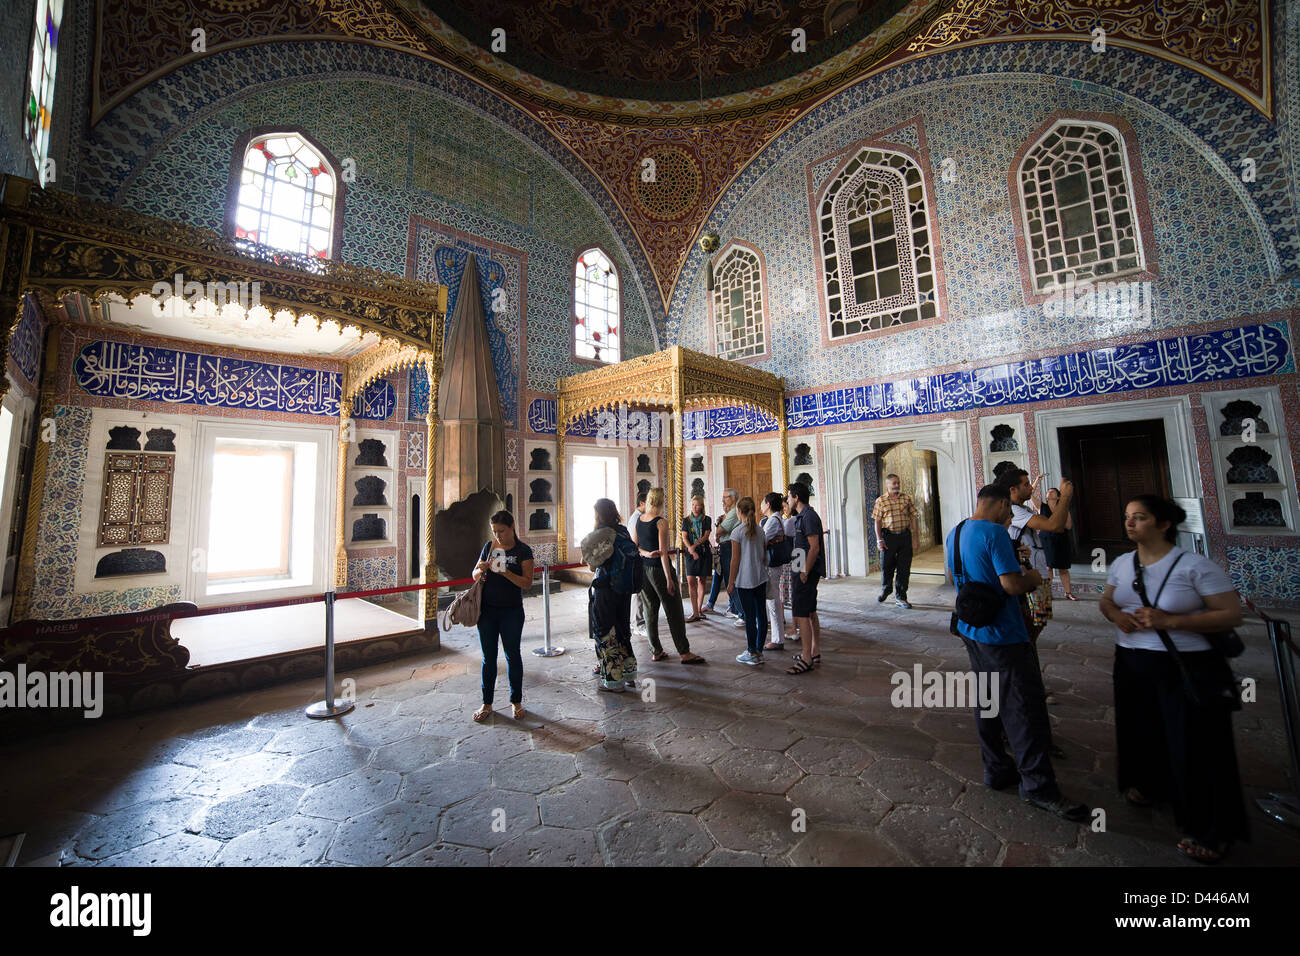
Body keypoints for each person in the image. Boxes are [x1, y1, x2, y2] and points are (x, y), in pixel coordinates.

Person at [1098, 495, 1247, 863]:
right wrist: (1117, 616)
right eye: (1128, 517)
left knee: (1196, 744)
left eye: (1140, 518)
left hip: (1186, 665)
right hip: (1132, 662)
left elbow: (1231, 615)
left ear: (1164, 524)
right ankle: (1151, 786)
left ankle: (1211, 830)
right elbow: (1107, 601)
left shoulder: (1194, 566)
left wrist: (1171, 621)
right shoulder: (1121, 563)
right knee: (1141, 731)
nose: (1130, 524)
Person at [945, 484, 1088, 822]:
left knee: (988, 700)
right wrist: (1034, 577)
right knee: (1021, 706)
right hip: (1002, 633)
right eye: (1007, 511)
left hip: (971, 628)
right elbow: (1010, 584)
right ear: (995, 504)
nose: (1010, 517)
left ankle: (996, 769)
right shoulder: (994, 533)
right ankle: (1038, 787)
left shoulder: (956, 530)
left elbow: (957, 576)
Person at [471, 511, 534, 722]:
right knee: (488, 658)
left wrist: (505, 571)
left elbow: (527, 583)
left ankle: (516, 701)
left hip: (511, 611)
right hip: (487, 611)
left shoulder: (523, 550)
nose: (498, 536)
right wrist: (481, 570)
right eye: (494, 531)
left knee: (512, 655)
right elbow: (474, 575)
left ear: (512, 527)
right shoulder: (489, 547)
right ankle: (486, 702)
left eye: (502, 531)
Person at [634, 487, 705, 664]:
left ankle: (655, 650)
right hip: (659, 570)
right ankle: (684, 652)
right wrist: (669, 579)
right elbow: (664, 554)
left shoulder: (639, 520)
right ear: (661, 501)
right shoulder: (660, 522)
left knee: (650, 611)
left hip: (644, 569)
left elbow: (634, 547)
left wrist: (646, 554)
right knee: (674, 610)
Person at [582, 498, 638, 693]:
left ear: (598, 514)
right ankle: (629, 673)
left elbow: (592, 564)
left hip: (606, 589)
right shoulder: (622, 531)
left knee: (606, 632)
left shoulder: (602, 534)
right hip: (623, 589)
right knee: (622, 629)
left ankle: (615, 681)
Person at [726, 496, 770, 665]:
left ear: (739, 511)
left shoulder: (737, 532)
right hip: (760, 577)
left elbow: (735, 560)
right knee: (761, 614)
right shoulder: (760, 530)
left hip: (745, 580)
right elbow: (764, 554)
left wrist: (730, 582)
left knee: (750, 617)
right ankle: (758, 650)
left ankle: (751, 652)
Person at [785, 481, 823, 675]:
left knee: (801, 614)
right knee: (809, 612)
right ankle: (814, 651)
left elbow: (814, 547)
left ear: (796, 497)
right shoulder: (802, 516)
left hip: (805, 571)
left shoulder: (808, 517)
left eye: (789, 496)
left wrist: (805, 571)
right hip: (800, 567)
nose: (787, 500)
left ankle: (806, 657)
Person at [872, 472, 919, 609]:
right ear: (887, 485)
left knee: (904, 568)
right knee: (887, 566)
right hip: (888, 537)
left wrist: (915, 538)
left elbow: (913, 517)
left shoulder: (906, 499)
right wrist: (879, 540)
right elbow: (877, 521)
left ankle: (901, 597)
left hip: (904, 537)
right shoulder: (881, 501)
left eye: (898, 483)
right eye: (894, 483)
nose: (897, 485)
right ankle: (886, 589)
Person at [704, 488, 740, 620]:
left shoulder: (734, 512)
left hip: (730, 548)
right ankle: (711, 603)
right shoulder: (728, 513)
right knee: (719, 575)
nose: (722, 500)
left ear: (733, 498)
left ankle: (736, 608)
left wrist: (720, 531)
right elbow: (719, 533)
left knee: (730, 578)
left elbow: (719, 530)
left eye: (725, 497)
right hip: (725, 547)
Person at [761, 492, 788, 651]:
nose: (761, 506)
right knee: (772, 600)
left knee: (772, 601)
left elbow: (762, 541)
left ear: (768, 504)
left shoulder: (773, 520)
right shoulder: (775, 519)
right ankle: (776, 637)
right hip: (772, 565)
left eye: (763, 502)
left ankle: (777, 639)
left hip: (772, 566)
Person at [1040, 487, 1078, 601]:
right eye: (1048, 491)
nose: (1049, 492)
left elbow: (1069, 526)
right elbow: (1031, 494)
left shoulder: (1063, 509)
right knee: (1048, 568)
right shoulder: (1042, 507)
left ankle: (1068, 593)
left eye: (1053, 491)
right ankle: (1048, 593)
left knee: (1063, 568)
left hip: (1061, 539)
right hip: (1047, 540)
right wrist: (1037, 480)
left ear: (1058, 496)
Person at [680, 494, 713, 623]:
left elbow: (706, 536)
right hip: (690, 553)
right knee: (691, 581)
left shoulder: (707, 519)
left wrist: (695, 546)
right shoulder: (686, 520)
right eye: (692, 505)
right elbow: (684, 536)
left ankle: (698, 610)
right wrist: (690, 548)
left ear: (701, 506)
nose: (694, 507)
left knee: (702, 581)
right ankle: (694, 612)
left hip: (703, 552)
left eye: (697, 505)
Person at [632, 490, 648, 637]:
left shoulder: (640, 517)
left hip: (641, 558)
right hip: (638, 559)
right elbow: (634, 543)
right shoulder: (637, 519)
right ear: (642, 503)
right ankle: (638, 623)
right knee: (639, 594)